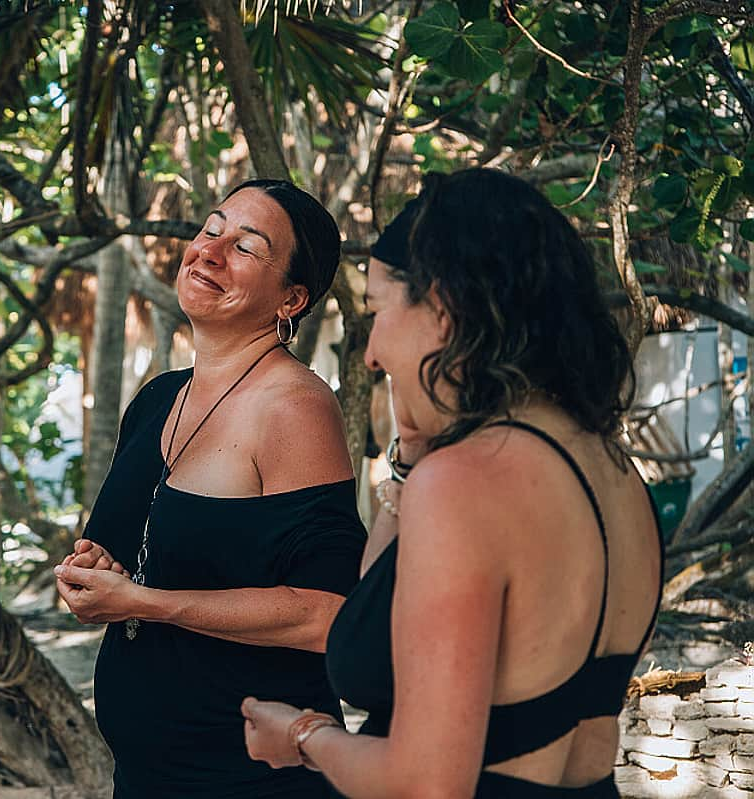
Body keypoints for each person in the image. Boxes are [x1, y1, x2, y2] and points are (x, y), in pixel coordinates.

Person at [243, 168, 664, 798]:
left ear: (440, 308)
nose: (371, 353)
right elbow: (381, 621)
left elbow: (427, 784)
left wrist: (305, 738)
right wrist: (409, 461)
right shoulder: (612, 469)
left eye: (379, 309)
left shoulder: (466, 482)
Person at [54, 179, 369, 798]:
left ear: (292, 299)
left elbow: (329, 615)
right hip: (147, 774)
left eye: (246, 248)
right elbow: (137, 559)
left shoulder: (295, 407)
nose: (210, 252)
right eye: (211, 229)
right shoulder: (157, 400)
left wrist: (146, 604)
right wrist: (96, 574)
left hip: (251, 773)